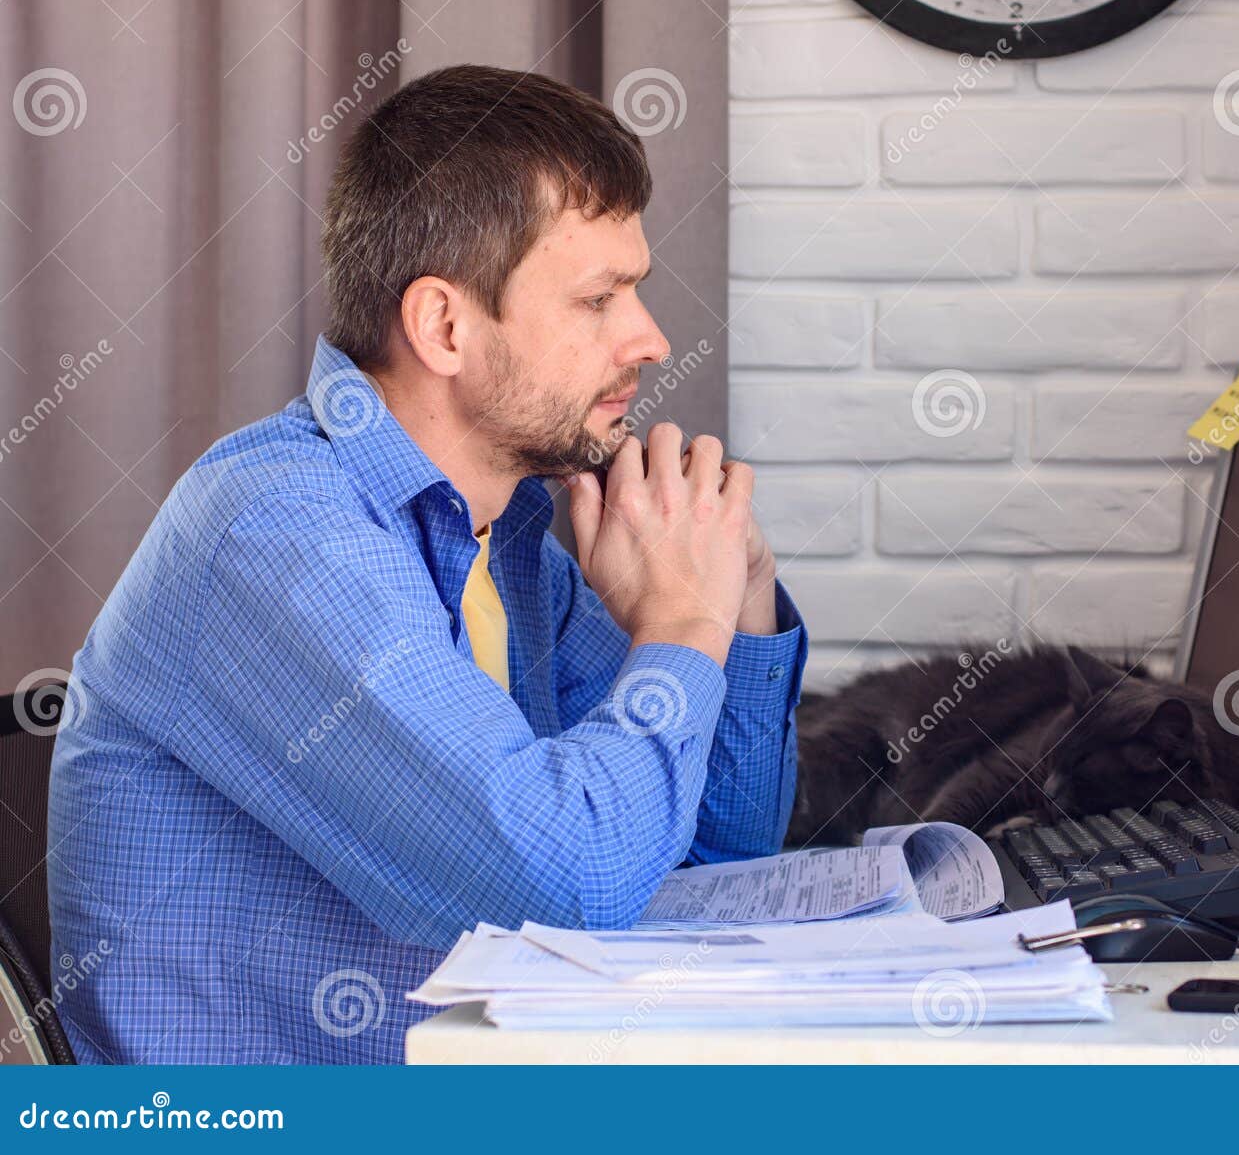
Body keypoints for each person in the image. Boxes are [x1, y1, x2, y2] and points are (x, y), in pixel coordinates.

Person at [47, 65, 806, 1065]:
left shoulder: (513, 539)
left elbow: (714, 856)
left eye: (638, 290)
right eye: (597, 299)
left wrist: (733, 597)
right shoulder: (283, 532)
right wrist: (680, 624)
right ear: (444, 326)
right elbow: (566, 879)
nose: (649, 337)